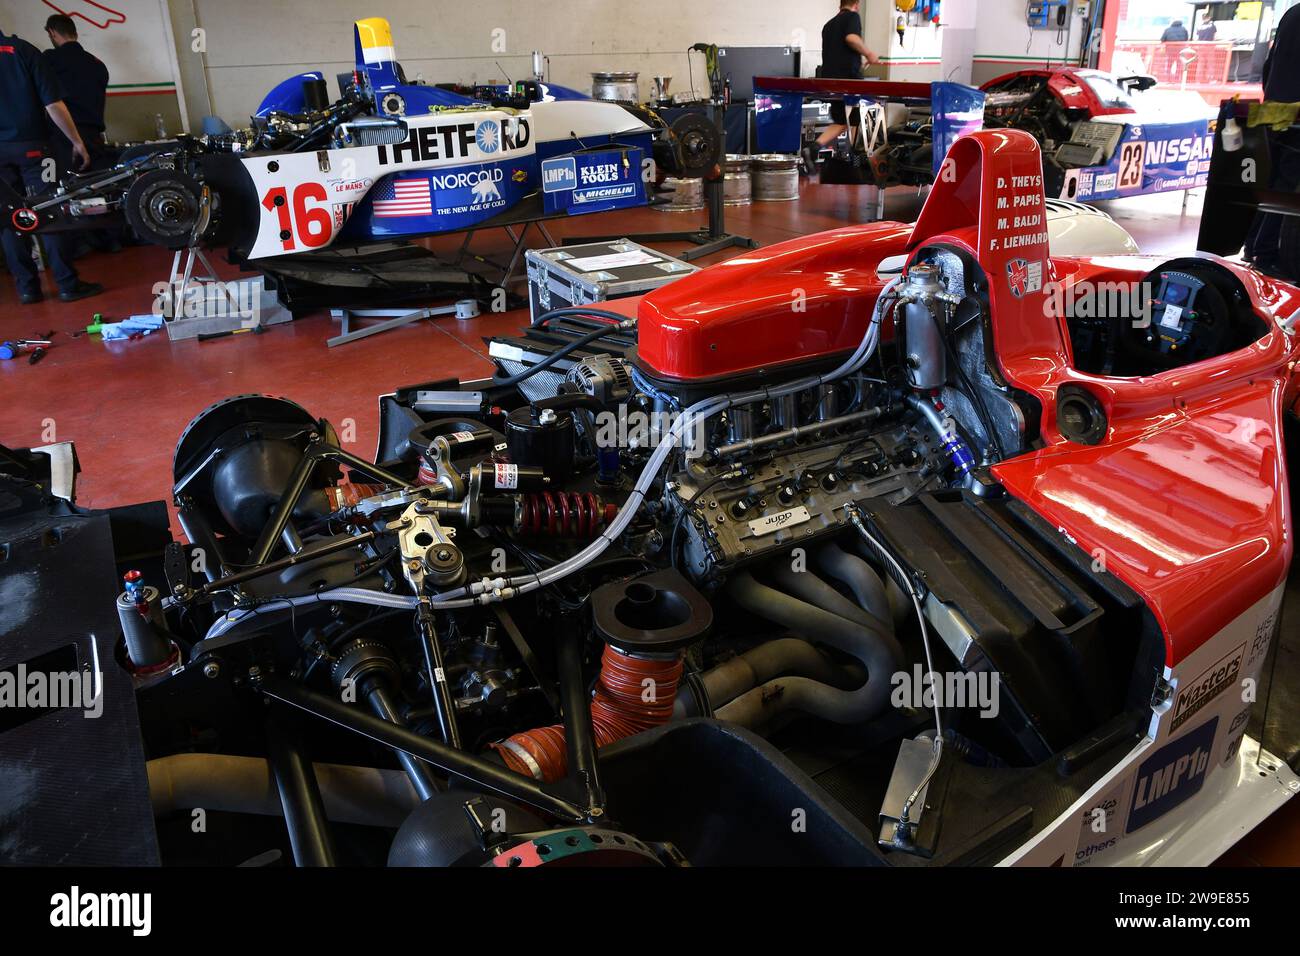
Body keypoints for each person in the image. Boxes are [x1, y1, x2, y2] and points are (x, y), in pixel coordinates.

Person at [0, 23, 101, 303]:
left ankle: (27, 288)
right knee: (50, 210)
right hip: (35, 149)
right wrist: (77, 141)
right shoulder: (23, 51)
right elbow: (53, 104)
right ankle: (67, 284)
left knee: (8, 218)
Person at [1244, 5, 1300, 276]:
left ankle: (1252, 245)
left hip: (1274, 110)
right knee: (1286, 188)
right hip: (1297, 114)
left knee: (1270, 182)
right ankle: (1265, 252)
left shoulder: (1291, 13)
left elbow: (1269, 64)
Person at [802, 0, 882, 174]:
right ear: (857, 4)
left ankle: (818, 149)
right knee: (852, 120)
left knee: (845, 120)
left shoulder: (828, 25)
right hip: (848, 81)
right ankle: (852, 162)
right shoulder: (853, 17)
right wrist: (869, 53)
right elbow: (851, 38)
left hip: (831, 81)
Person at [43, 14, 109, 170]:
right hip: (95, 139)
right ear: (75, 34)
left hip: (63, 139)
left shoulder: (49, 59)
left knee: (56, 189)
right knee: (96, 187)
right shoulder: (98, 64)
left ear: (52, 33)